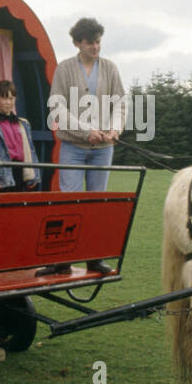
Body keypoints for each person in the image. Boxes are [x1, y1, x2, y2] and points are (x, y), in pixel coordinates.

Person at [42, 17, 126, 276]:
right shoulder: (64, 69)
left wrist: (114, 129)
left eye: (98, 42)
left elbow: (120, 103)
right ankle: (63, 259)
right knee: (70, 202)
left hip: (103, 151)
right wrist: (85, 130)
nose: (95, 47)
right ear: (77, 43)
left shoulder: (110, 68)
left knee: (96, 203)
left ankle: (94, 258)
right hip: (73, 148)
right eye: (90, 42)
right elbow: (57, 106)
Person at [0, 80, 40, 195]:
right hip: (3, 174)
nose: (8, 102)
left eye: (11, 98)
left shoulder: (23, 124)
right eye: (4, 98)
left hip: (21, 172)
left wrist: (34, 175)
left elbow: (31, 152)